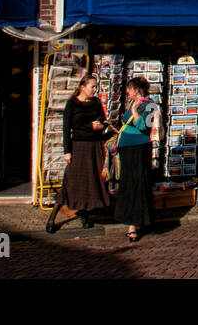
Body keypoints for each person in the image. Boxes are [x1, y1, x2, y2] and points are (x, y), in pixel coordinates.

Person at [61, 74, 112, 228]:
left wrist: (101, 125)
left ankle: (88, 212)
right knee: (76, 178)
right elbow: (67, 128)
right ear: (83, 87)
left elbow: (103, 120)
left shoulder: (96, 102)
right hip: (79, 145)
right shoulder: (72, 104)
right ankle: (74, 207)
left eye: (96, 87)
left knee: (93, 179)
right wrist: (67, 151)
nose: (95, 90)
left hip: (94, 145)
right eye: (92, 87)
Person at [115, 76, 158, 242]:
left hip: (138, 149)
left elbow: (143, 126)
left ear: (137, 90)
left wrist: (134, 112)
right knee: (128, 183)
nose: (127, 91)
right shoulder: (133, 103)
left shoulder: (150, 105)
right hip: (127, 148)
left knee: (136, 184)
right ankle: (134, 220)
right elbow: (126, 121)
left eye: (130, 88)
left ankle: (133, 225)